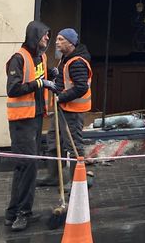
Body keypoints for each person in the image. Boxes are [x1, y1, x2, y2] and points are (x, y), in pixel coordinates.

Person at [5, 20, 56, 231]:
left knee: (26, 166)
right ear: (35, 36)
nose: (48, 38)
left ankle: (15, 212)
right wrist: (40, 83)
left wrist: (49, 75)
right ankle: (21, 213)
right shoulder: (19, 58)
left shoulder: (41, 57)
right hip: (21, 121)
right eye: (45, 35)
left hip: (35, 117)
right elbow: (13, 89)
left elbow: (39, 77)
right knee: (27, 165)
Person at [38, 28, 92, 188]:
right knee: (54, 139)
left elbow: (81, 87)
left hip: (72, 111)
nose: (57, 42)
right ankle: (54, 176)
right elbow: (65, 80)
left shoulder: (77, 62)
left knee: (74, 145)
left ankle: (77, 182)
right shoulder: (66, 58)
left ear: (71, 43)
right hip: (63, 108)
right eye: (57, 39)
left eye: (61, 39)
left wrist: (61, 97)